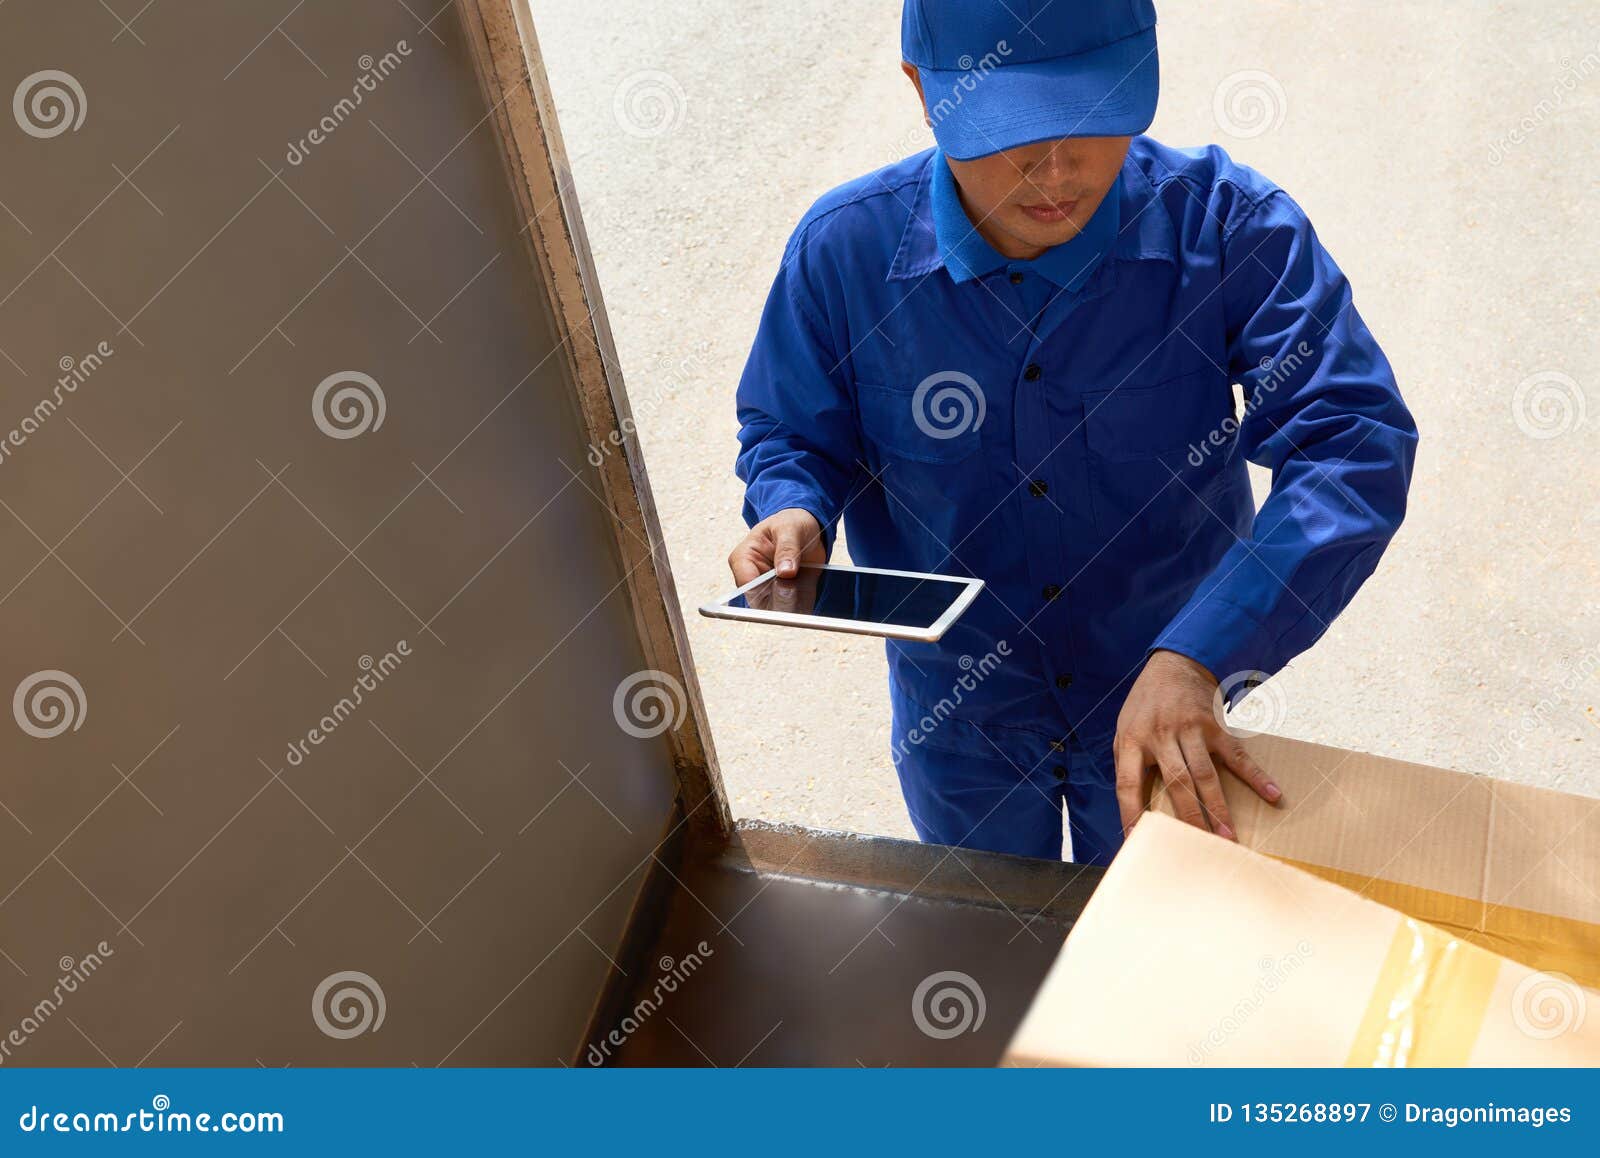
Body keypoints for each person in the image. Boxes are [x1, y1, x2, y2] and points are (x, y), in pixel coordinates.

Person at [727, 0, 1418, 864]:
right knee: (985, 937)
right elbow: (791, 424)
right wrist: (794, 506)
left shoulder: (1231, 230)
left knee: (1149, 946)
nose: (1055, 172)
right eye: (1008, 133)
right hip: (959, 712)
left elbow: (1353, 442)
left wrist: (1202, 655)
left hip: (1163, 700)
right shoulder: (844, 254)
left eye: (1094, 121)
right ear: (921, 88)